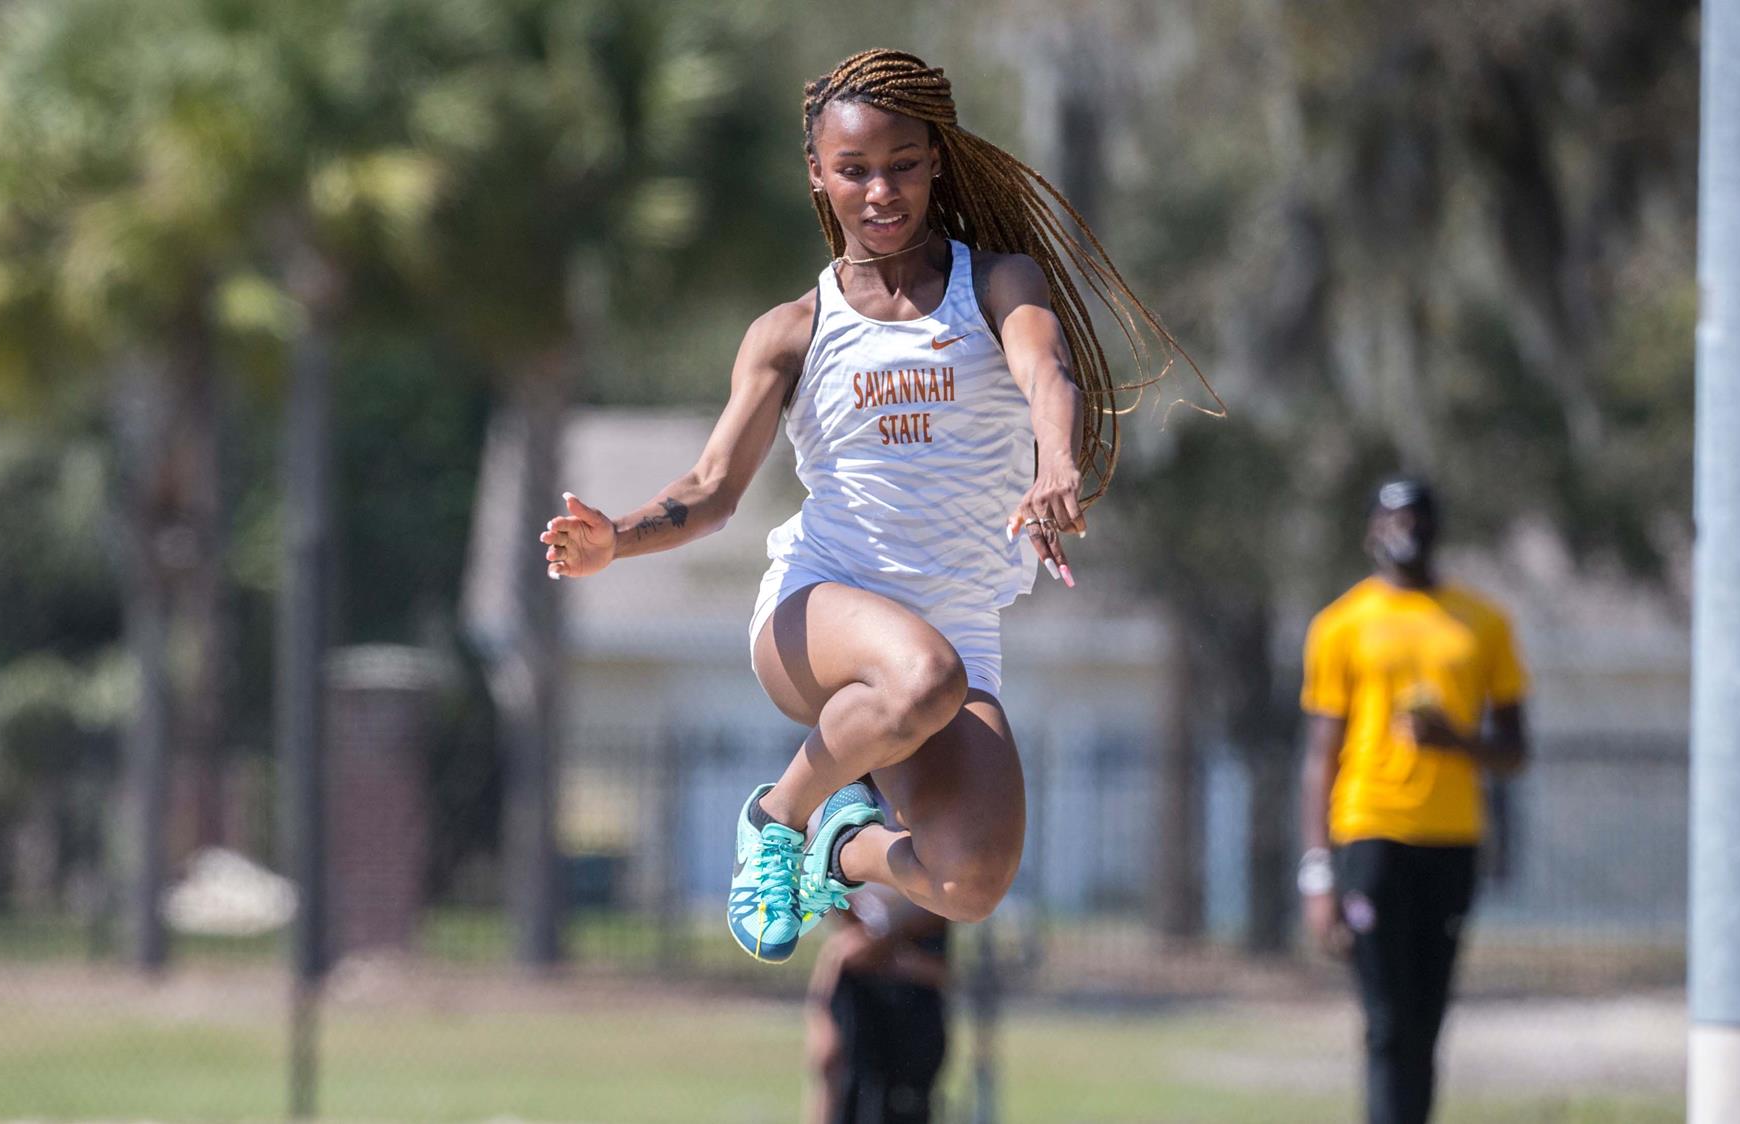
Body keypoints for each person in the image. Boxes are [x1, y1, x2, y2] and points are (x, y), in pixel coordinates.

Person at [537, 48, 1195, 962]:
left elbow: (1048, 376)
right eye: (854, 171)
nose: (880, 192)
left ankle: (841, 850)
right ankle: (776, 815)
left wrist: (1055, 465)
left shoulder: (1001, 285)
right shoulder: (792, 332)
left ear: (937, 163)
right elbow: (711, 487)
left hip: (955, 637)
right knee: (922, 677)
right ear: (818, 173)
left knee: (971, 876)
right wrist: (618, 539)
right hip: (817, 615)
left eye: (902, 167)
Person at [1297, 476, 1531, 1124]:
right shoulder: (1341, 625)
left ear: (1437, 527)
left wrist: (1455, 740)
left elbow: (1515, 749)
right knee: (1387, 1015)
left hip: (1452, 838)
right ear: (1372, 529)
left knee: (1427, 1018)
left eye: (1417, 519)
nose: (1406, 532)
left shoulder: (1483, 624)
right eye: (1392, 519)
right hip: (1369, 833)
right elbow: (1321, 753)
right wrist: (1318, 871)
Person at [803, 884, 951, 1124]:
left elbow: (947, 902)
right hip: (860, 976)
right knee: (846, 1082)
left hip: (912, 991)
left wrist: (882, 938)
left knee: (903, 1096)